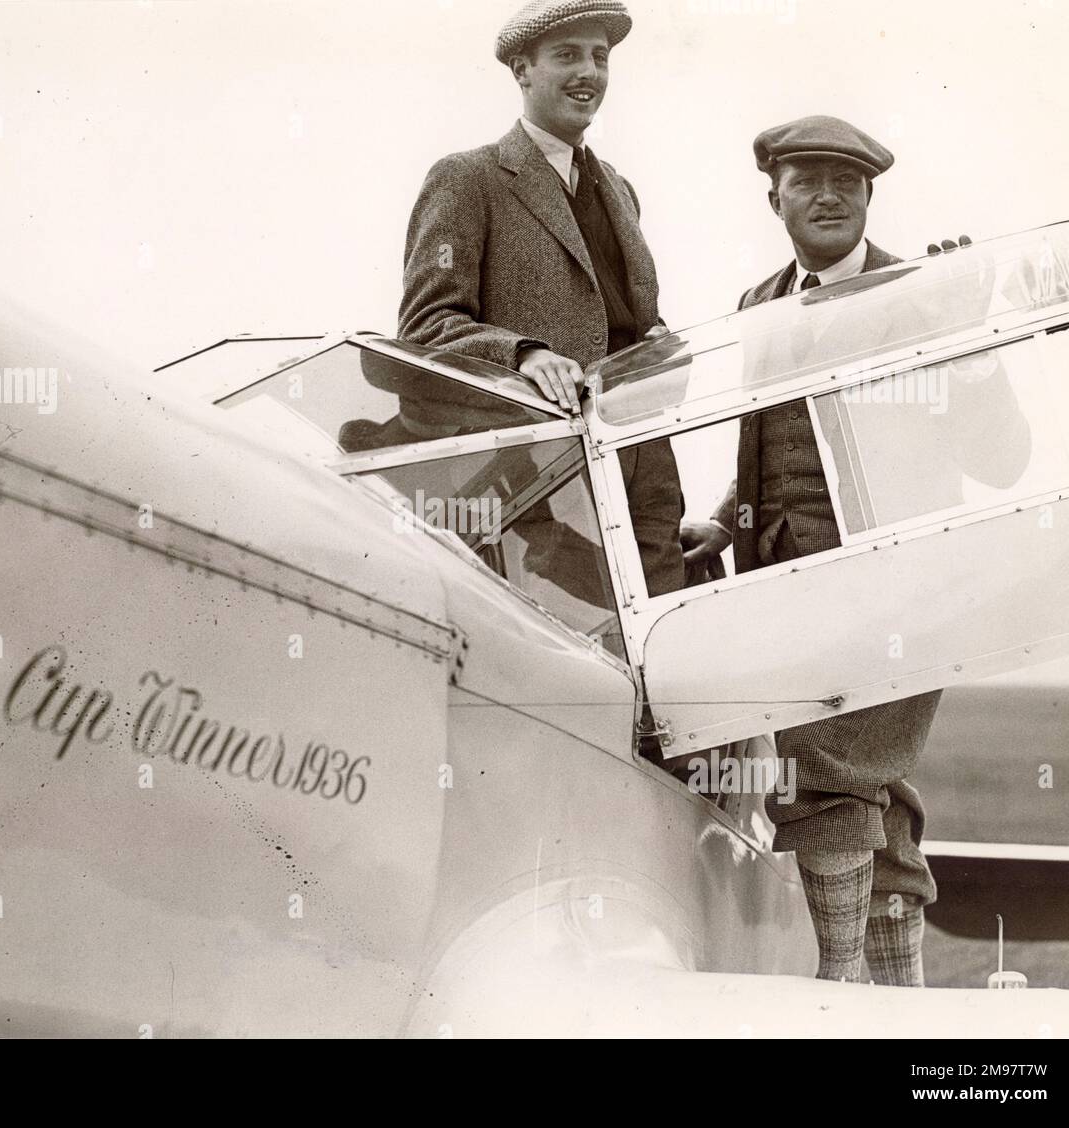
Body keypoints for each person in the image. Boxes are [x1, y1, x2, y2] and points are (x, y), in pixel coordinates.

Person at [683, 116, 1029, 986]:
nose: (828, 194)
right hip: (783, 590)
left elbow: (1004, 459)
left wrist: (974, 342)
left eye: (847, 180)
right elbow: (770, 448)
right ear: (776, 199)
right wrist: (723, 519)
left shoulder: (924, 293)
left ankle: (841, 993)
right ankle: (896, 1008)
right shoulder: (758, 305)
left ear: (871, 196)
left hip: (893, 596)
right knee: (879, 797)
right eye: (807, 180)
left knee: (828, 779)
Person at [398, 0, 686, 598]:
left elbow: (626, 318)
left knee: (666, 646)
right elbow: (424, 328)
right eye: (567, 56)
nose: (589, 72)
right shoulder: (466, 178)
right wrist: (525, 355)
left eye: (600, 58)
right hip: (542, 477)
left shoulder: (621, 190)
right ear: (521, 70)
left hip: (644, 463)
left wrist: (662, 344)